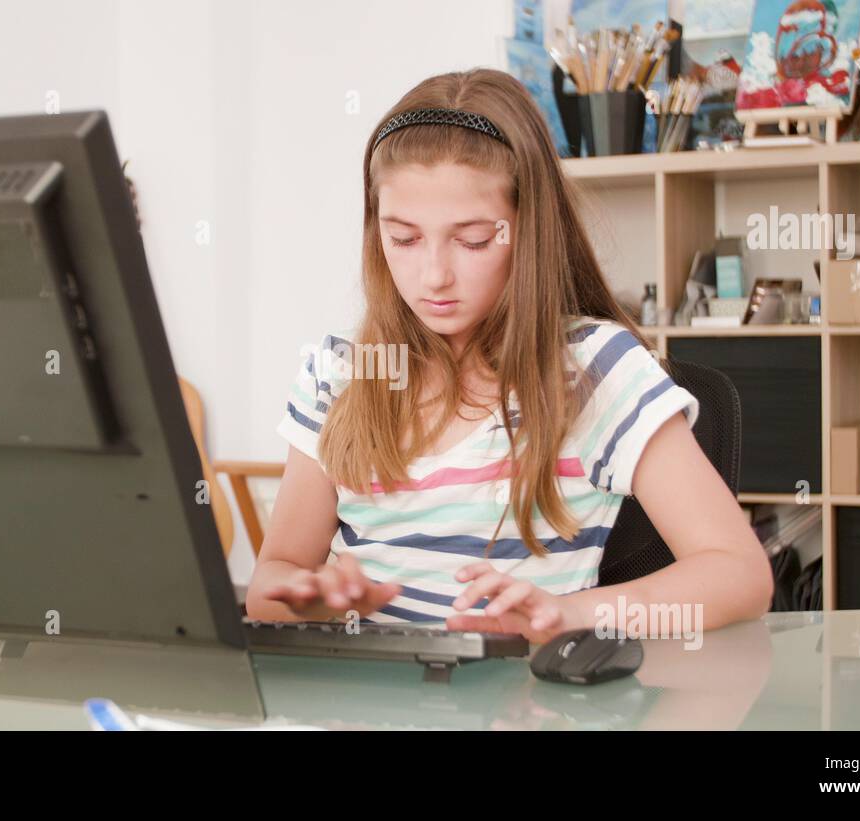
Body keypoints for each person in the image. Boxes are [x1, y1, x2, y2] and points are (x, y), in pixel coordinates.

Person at [245, 68, 772, 643]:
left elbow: (739, 575)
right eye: (404, 238)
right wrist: (311, 596)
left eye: (472, 240)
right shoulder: (338, 377)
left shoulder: (593, 372)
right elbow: (272, 582)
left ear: (527, 229)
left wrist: (567, 614)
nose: (434, 275)